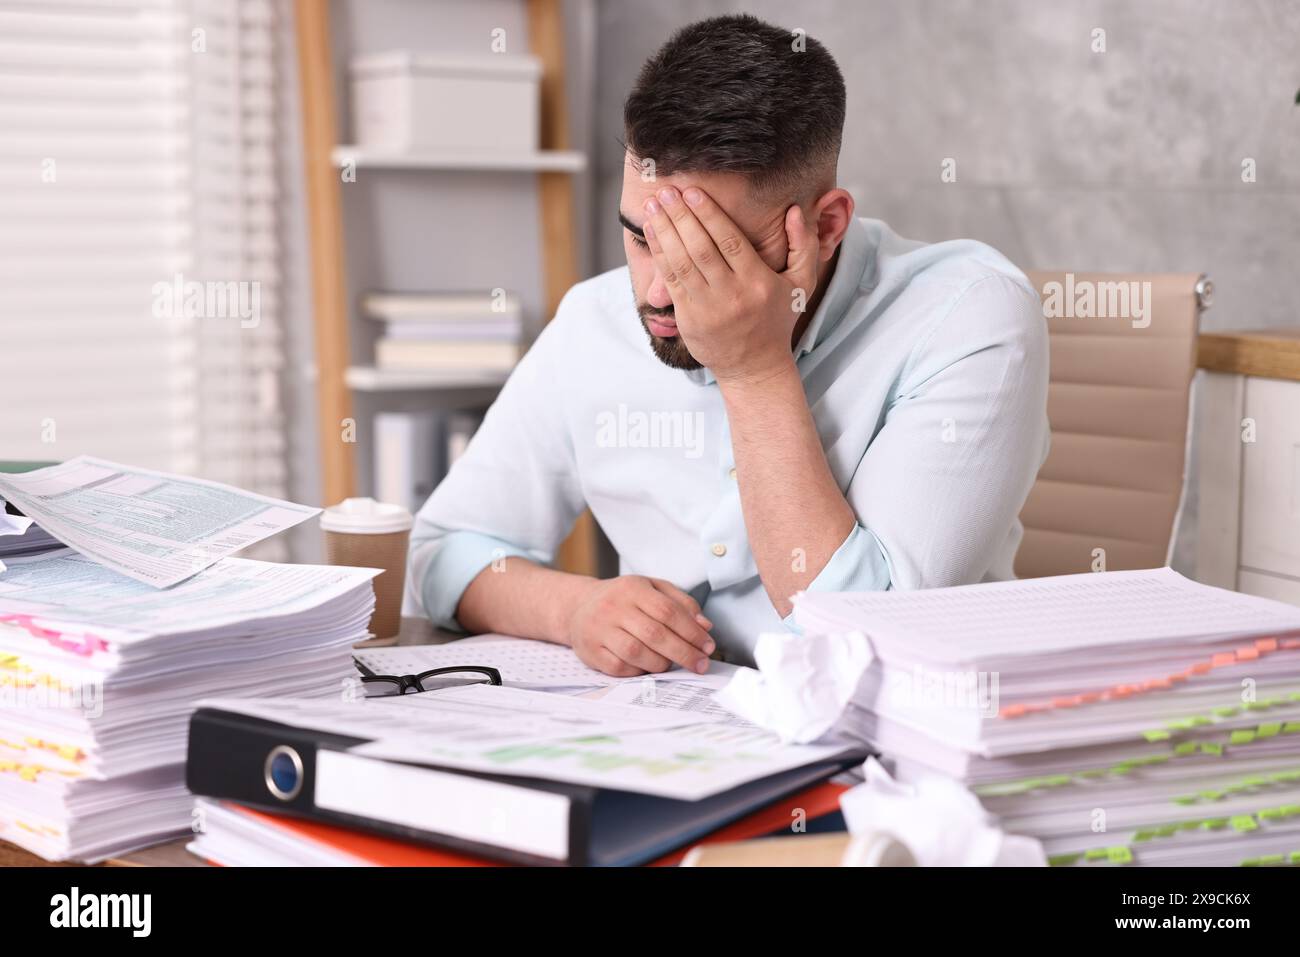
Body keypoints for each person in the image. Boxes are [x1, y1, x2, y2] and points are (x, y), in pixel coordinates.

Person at [405, 14, 1049, 675]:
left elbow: (867, 643)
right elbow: (439, 554)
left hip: (901, 746)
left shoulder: (968, 315)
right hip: (673, 739)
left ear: (825, 226)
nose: (659, 291)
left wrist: (753, 369)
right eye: (640, 236)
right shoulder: (592, 322)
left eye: (712, 252)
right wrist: (573, 609)